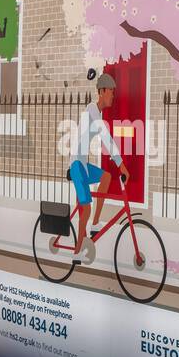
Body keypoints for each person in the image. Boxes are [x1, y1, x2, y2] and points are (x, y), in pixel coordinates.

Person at [70, 72, 129, 261]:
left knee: (106, 177)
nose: (113, 95)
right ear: (102, 91)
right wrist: (121, 165)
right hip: (77, 166)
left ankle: (95, 224)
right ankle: (77, 251)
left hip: (84, 165)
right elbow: (105, 138)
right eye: (111, 92)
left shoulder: (98, 113)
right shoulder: (91, 109)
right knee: (85, 208)